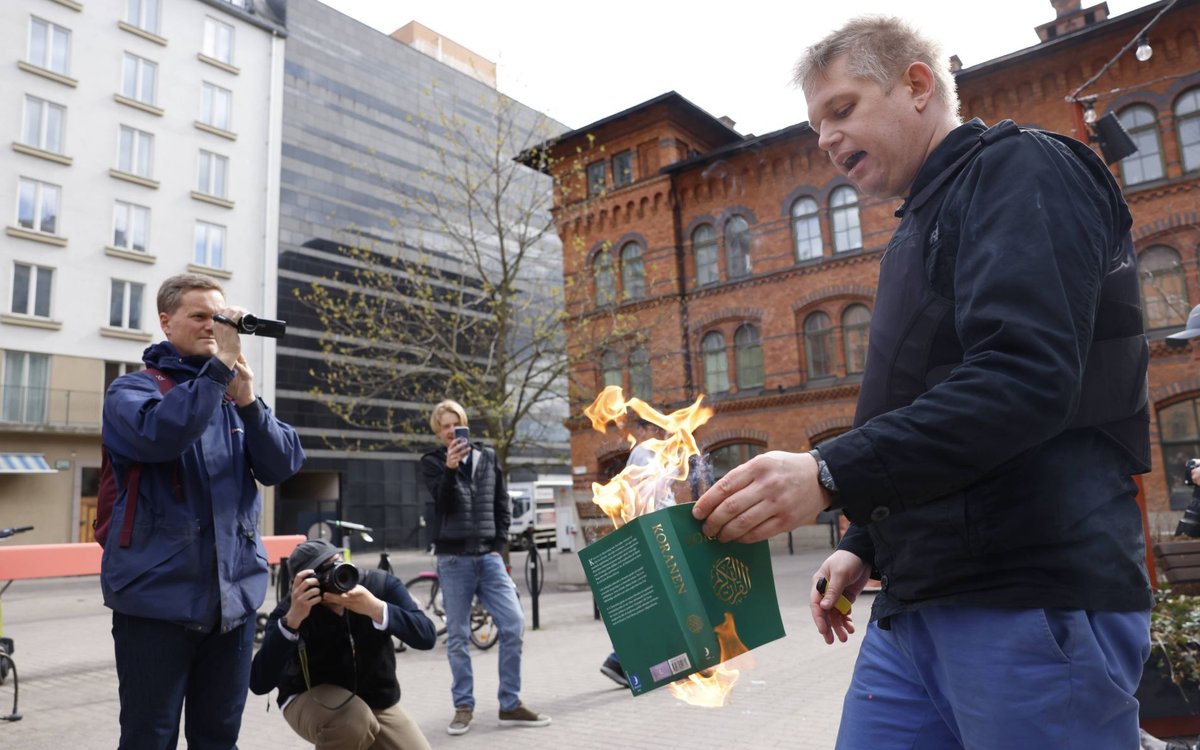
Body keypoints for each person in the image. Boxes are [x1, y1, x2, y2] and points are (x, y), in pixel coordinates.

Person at [693, 16, 1153, 750]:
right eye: (815, 125)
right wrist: (868, 540)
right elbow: (927, 401)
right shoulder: (916, 226)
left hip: (1030, 598)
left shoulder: (1022, 169)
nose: (826, 140)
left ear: (917, 85)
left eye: (842, 109)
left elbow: (1024, 376)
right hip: (913, 611)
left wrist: (829, 471)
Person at [100, 272, 306, 750]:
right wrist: (222, 368)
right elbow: (163, 435)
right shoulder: (131, 391)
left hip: (231, 607)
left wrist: (250, 403)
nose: (212, 326)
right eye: (199, 316)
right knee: (149, 738)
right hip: (155, 604)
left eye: (218, 316)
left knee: (218, 738)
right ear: (165, 321)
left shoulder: (232, 396)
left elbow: (283, 464)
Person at [420, 399, 550, 735]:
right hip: (453, 560)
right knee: (459, 637)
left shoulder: (488, 458)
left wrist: (497, 547)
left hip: (488, 559)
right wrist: (450, 469)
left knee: (514, 624)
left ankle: (510, 704)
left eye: (455, 424)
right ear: (438, 431)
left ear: (464, 424)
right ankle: (463, 707)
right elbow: (443, 505)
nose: (451, 431)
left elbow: (501, 505)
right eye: (444, 426)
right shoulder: (432, 462)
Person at [249, 539, 437, 750]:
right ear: (302, 584)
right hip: (308, 695)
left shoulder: (378, 586)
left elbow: (427, 636)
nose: (336, 578)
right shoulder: (294, 608)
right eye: (322, 574)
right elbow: (259, 682)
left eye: (338, 567)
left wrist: (375, 609)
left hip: (374, 700)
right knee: (354, 723)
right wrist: (292, 621)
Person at [600, 416, 673, 687]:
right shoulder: (644, 454)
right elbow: (647, 501)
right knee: (659, 601)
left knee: (661, 601)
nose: (663, 432)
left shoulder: (652, 455)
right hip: (654, 536)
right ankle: (619, 660)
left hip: (656, 534)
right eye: (656, 427)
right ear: (644, 430)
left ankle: (626, 661)